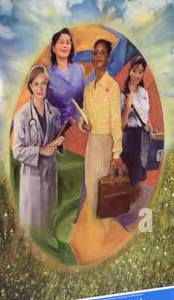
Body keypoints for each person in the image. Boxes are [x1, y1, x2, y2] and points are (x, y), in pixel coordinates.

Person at [11, 65, 65, 233]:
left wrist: (59, 142)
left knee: (49, 227)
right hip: (32, 178)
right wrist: (40, 151)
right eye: (36, 84)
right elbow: (17, 150)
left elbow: (56, 142)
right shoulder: (22, 115)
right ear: (30, 86)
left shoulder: (54, 113)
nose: (41, 88)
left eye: (44, 83)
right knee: (31, 229)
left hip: (49, 175)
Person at [81, 38, 124, 217]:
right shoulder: (88, 89)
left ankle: (106, 231)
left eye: (102, 53)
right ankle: (97, 235)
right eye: (96, 52)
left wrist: (116, 154)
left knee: (104, 194)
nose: (98, 56)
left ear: (108, 58)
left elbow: (116, 121)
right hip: (92, 145)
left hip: (106, 145)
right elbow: (84, 116)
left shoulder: (112, 86)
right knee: (91, 190)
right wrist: (84, 125)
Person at [46, 28, 90, 130]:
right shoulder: (47, 74)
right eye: (61, 42)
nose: (65, 46)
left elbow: (85, 100)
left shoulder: (79, 69)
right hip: (57, 130)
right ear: (53, 47)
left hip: (78, 128)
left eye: (68, 43)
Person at [121, 54, 151, 188]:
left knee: (143, 174)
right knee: (134, 177)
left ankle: (135, 202)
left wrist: (150, 125)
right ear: (129, 71)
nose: (137, 75)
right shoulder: (123, 95)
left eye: (140, 72)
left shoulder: (144, 93)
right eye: (134, 71)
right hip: (130, 138)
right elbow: (121, 125)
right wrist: (127, 107)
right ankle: (131, 204)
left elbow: (146, 114)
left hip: (144, 137)